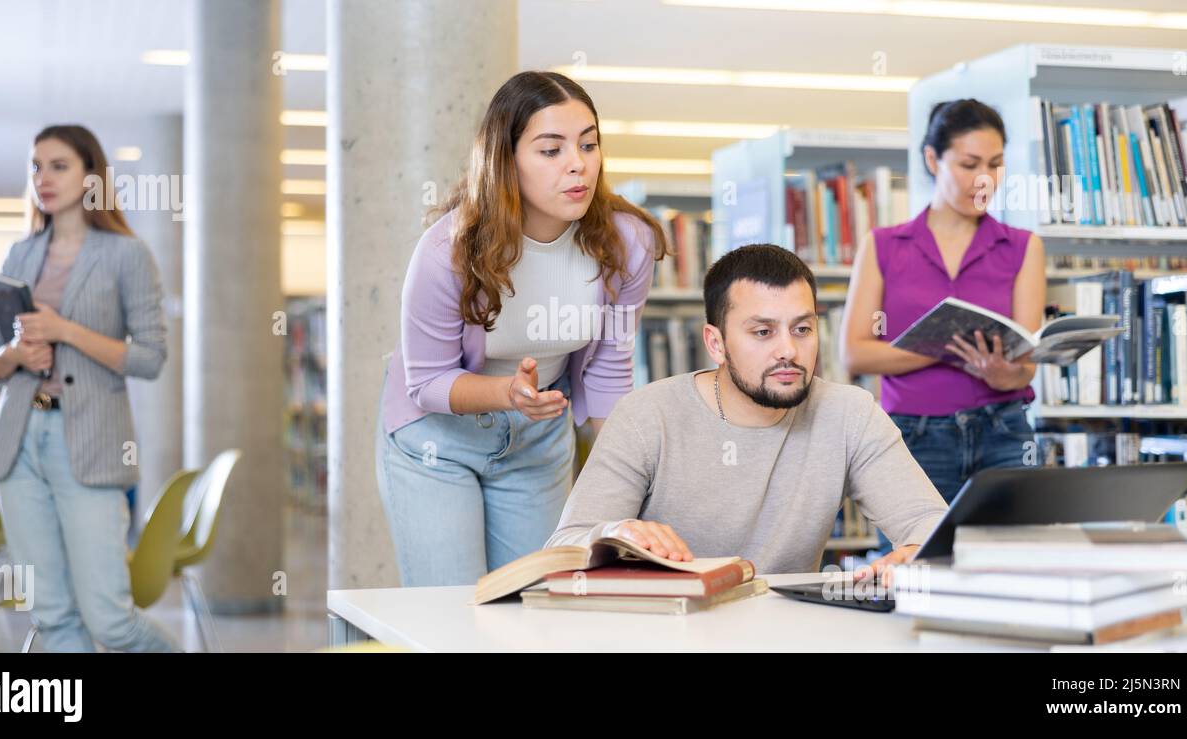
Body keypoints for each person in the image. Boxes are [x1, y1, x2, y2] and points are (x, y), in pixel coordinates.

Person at [376, 71, 668, 587]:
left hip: (539, 437)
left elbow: (608, 369)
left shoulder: (629, 242)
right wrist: (509, 393)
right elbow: (426, 383)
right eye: (550, 150)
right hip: (436, 439)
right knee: (454, 615)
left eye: (588, 144)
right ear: (506, 161)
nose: (578, 163)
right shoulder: (449, 251)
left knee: (531, 604)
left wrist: (634, 486)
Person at [545, 244, 948, 582]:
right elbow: (564, 544)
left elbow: (931, 522)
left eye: (802, 329)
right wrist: (614, 533)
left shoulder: (850, 414)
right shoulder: (647, 415)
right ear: (716, 343)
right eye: (763, 332)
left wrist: (915, 552)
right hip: (672, 634)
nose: (788, 350)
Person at [0, 124, 177, 652]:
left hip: (88, 446)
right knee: (54, 617)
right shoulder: (19, 254)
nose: (43, 178)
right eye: (36, 167)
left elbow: (151, 358)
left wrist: (66, 331)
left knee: (110, 620)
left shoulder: (126, 255)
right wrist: (14, 355)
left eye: (59, 166)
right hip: (18, 445)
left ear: (91, 176)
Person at [840, 99, 1045, 552]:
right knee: (918, 568)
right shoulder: (885, 246)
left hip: (1004, 431)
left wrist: (1002, 372)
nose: (984, 178)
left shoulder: (1022, 248)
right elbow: (854, 353)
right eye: (969, 164)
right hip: (912, 438)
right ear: (933, 160)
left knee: (1016, 569)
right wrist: (942, 348)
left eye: (995, 164)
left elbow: (1025, 363)